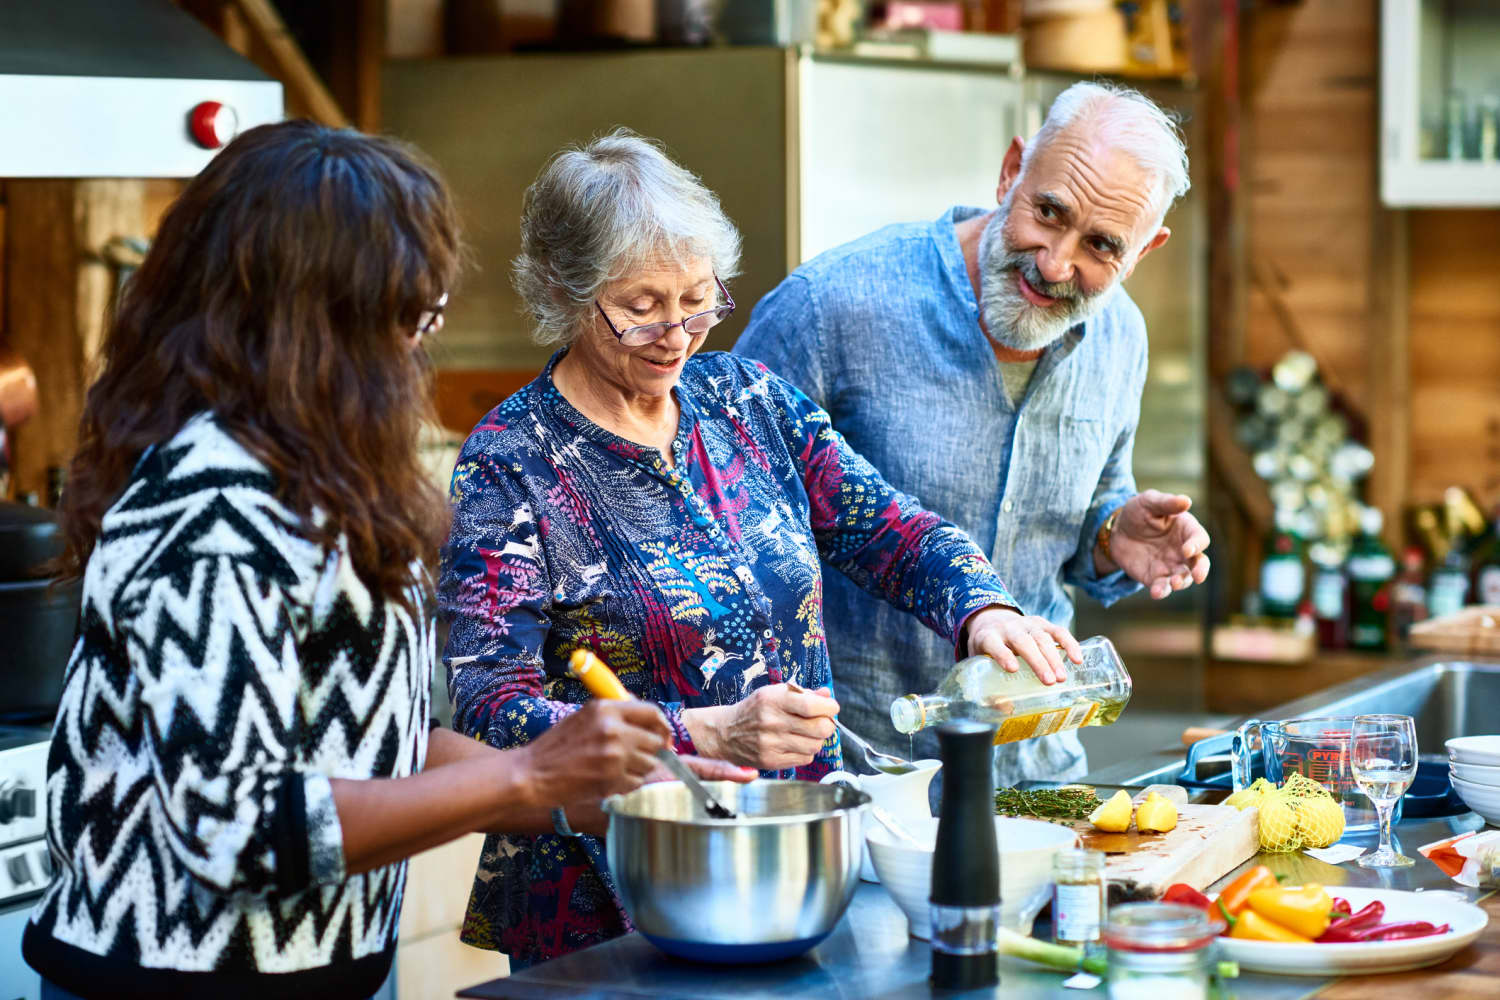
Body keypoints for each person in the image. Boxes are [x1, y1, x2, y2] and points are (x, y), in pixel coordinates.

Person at [22, 120, 743, 1000]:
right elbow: (239, 832)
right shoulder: (211, 504)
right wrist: (527, 776)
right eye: (406, 317)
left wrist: (584, 790)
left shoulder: (319, 473)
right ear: (311, 320)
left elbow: (372, 741)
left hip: (330, 971)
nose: (415, 348)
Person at [438, 128, 1081, 968]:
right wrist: (703, 734)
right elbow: (490, 711)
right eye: (641, 307)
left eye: (698, 299)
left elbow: (887, 528)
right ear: (566, 291)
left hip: (791, 863)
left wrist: (980, 608)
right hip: (612, 894)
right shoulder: (511, 461)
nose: (677, 333)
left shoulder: (746, 400)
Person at [734, 81, 1212, 786]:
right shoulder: (832, 306)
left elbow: (1086, 512)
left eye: (1101, 245)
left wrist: (1113, 536)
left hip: (1036, 774)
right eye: (1048, 212)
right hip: (861, 775)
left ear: (1143, 251)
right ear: (1011, 170)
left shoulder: (1122, 338)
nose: (1055, 264)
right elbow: (720, 526)